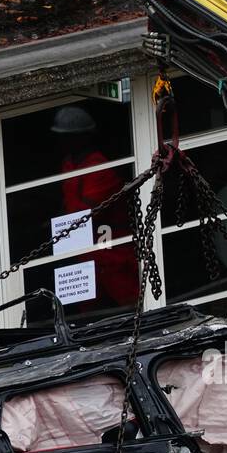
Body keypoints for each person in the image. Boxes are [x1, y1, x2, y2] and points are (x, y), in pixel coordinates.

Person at [51, 105, 138, 312]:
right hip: (85, 246)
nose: (62, 142)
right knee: (88, 305)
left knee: (127, 295)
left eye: (67, 137)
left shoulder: (99, 168)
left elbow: (86, 213)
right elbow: (68, 202)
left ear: (81, 137)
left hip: (109, 244)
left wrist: (60, 226)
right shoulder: (69, 163)